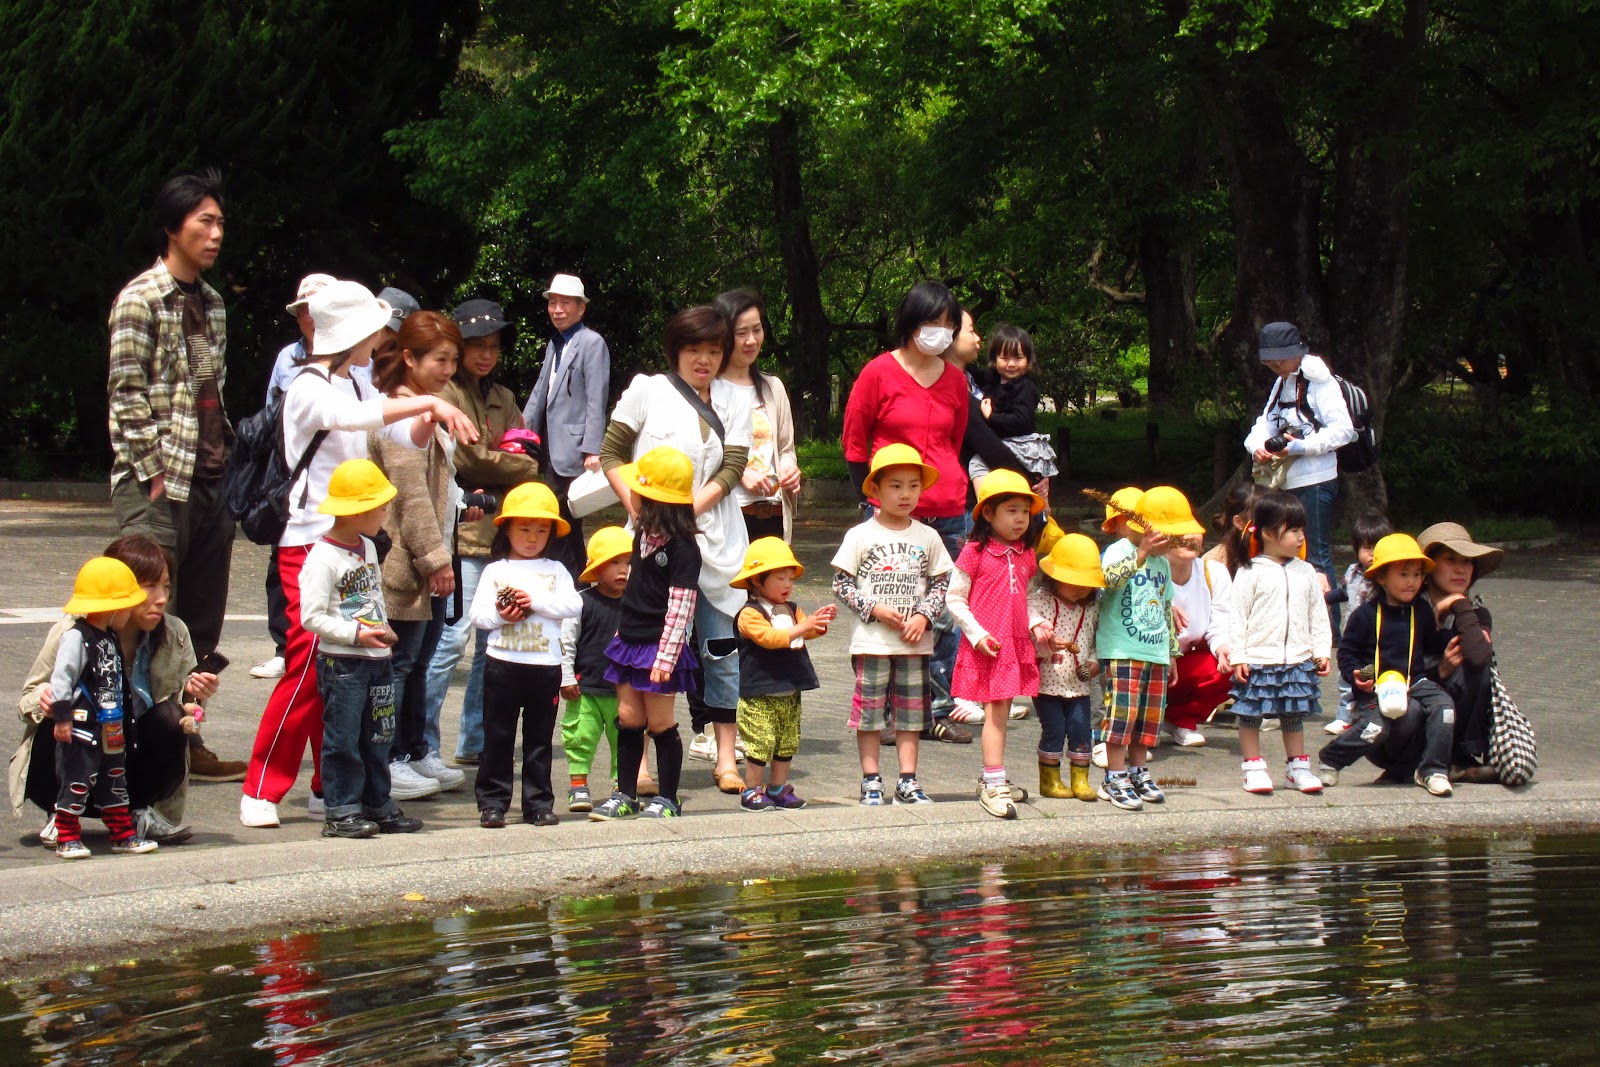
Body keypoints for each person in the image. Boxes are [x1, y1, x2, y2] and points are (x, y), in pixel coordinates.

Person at [241, 282, 477, 829]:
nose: (382, 338)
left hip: (358, 544)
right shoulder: (308, 385)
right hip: (309, 542)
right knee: (306, 668)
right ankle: (262, 786)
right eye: (375, 329)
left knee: (349, 670)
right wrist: (433, 402)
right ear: (353, 333)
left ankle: (335, 787)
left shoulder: (356, 381)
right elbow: (355, 421)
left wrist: (430, 414)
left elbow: (393, 429)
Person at [106, 168, 242, 783]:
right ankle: (131, 737)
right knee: (148, 609)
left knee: (201, 620)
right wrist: (155, 473)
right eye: (204, 222)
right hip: (159, 484)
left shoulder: (211, 302)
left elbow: (212, 390)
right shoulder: (140, 298)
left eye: (219, 223)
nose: (215, 234)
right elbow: (126, 393)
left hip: (212, 480)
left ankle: (185, 737)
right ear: (172, 228)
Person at [599, 307, 752, 795]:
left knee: (720, 648)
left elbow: (734, 464)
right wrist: (643, 510)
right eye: (694, 350)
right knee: (646, 646)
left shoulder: (734, 398)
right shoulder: (648, 389)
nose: (704, 360)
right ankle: (639, 765)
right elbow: (611, 454)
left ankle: (727, 757)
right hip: (652, 538)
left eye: (713, 351)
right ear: (676, 351)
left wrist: (688, 509)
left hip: (718, 538)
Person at [841, 281, 973, 746]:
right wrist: (873, 498)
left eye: (947, 325)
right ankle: (887, 713)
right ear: (909, 323)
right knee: (891, 605)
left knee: (940, 610)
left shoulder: (956, 379)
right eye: (930, 323)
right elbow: (855, 444)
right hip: (887, 512)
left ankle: (936, 709)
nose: (939, 332)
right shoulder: (878, 373)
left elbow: (954, 443)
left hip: (948, 508)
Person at [425, 298, 541, 769]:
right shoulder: (447, 394)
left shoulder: (505, 397)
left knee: (493, 642)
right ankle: (420, 743)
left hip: (501, 534)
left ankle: (473, 740)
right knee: (453, 640)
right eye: (476, 346)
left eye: (493, 346)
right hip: (464, 535)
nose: (485, 355)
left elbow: (527, 448)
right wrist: (515, 463)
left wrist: (509, 462)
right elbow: (465, 457)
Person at [369, 311, 475, 800]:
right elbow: (408, 495)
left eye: (453, 359)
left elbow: (435, 489)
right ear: (408, 358)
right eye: (439, 359)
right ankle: (388, 758)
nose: (448, 369)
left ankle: (413, 750)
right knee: (399, 664)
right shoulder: (400, 410)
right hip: (402, 561)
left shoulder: (424, 408)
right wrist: (436, 558)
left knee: (418, 659)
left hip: (429, 547)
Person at [299, 459, 424, 839]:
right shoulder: (323, 557)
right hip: (344, 663)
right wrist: (356, 635)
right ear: (358, 511)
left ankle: (376, 802)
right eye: (381, 507)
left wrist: (381, 628)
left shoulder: (368, 547)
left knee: (379, 734)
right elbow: (311, 617)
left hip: (377, 658)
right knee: (344, 737)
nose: (387, 513)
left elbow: (369, 596)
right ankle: (341, 809)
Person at [831, 444, 953, 807]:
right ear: (876, 491)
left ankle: (908, 780)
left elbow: (942, 582)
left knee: (912, 714)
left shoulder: (927, 537)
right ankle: (870, 780)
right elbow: (841, 584)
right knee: (869, 715)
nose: (905, 494)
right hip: (873, 642)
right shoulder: (860, 535)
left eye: (913, 486)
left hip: (914, 644)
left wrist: (924, 616)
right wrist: (874, 609)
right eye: (896, 486)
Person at [590, 447, 704, 821]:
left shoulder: (684, 548)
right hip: (630, 642)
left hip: (660, 647)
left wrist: (666, 657)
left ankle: (669, 797)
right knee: (628, 717)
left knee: (659, 723)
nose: (631, 494)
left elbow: (682, 606)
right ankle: (625, 793)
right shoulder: (640, 533)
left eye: (637, 490)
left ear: (655, 500)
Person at [469, 482, 583, 828]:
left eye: (541, 530)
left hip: (544, 667)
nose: (532, 538)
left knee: (538, 740)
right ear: (506, 529)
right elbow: (479, 616)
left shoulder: (556, 570)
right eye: (524, 529)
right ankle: (492, 802)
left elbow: (574, 604)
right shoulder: (496, 570)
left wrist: (534, 602)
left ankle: (537, 802)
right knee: (498, 735)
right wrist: (503, 616)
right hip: (502, 664)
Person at [1318, 533, 1456, 796]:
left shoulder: (1422, 611)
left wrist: (1459, 630)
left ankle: (1432, 770)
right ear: (1381, 577)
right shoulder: (1365, 615)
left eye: (1417, 575)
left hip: (1413, 680)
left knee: (1445, 707)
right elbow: (1348, 653)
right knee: (1376, 727)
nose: (1412, 582)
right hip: (1376, 680)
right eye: (1404, 575)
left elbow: (1434, 644)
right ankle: (1332, 759)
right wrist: (1358, 675)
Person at [40, 556, 155, 859]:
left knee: (115, 781)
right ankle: (66, 836)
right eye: (127, 605)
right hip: (82, 725)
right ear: (111, 606)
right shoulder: (77, 637)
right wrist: (63, 718)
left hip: (111, 724)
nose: (130, 612)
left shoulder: (110, 636)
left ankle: (122, 835)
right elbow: (62, 678)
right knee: (77, 780)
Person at [946, 470, 1046, 819]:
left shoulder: (1025, 554)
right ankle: (993, 781)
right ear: (988, 513)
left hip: (1013, 645)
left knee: (1000, 712)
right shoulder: (974, 552)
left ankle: (993, 776)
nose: (1021, 519)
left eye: (1025, 511)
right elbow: (955, 599)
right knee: (997, 713)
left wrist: (1036, 624)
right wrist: (977, 634)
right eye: (1012, 510)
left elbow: (1029, 598)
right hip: (988, 645)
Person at [254, 273, 338, 681]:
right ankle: (282, 644)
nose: (311, 316)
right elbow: (270, 416)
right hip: (294, 486)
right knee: (283, 574)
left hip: (337, 499)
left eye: (318, 308)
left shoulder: (360, 363)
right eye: (304, 309)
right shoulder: (289, 359)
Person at [1225, 490, 1332, 795]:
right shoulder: (1249, 571)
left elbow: (1317, 614)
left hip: (1297, 658)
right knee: (1250, 713)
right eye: (1294, 530)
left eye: (1302, 530)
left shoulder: (1306, 571)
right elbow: (1238, 617)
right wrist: (1239, 656)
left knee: (1292, 714)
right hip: (1259, 657)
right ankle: (1253, 767)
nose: (1301, 538)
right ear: (1270, 533)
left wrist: (1321, 650)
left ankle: (1297, 767)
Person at [1243, 322, 1355, 609]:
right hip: (1285, 482)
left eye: (1278, 357)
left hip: (1316, 479)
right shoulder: (1283, 381)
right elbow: (1265, 423)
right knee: (1285, 553)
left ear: (1296, 352)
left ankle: (1330, 632)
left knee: (1315, 554)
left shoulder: (1319, 380)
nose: (1273, 364)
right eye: (1269, 359)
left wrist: (1301, 446)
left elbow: (1343, 430)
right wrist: (1256, 447)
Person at [1096, 486, 1195, 811]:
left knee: (1147, 719)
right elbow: (1107, 580)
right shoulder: (1118, 550)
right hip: (1122, 651)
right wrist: (1140, 554)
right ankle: (1114, 775)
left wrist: (1171, 653)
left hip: (1153, 653)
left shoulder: (1162, 565)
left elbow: (1166, 610)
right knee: (1120, 716)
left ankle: (1138, 771)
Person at [731, 537, 835, 812]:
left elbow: (805, 631)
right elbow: (769, 638)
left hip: (790, 688)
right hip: (759, 692)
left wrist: (818, 623)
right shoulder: (749, 613)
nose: (788, 584)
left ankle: (778, 787)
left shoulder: (791, 608)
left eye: (790, 578)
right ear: (756, 580)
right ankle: (752, 789)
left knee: (787, 741)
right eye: (780, 578)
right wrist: (804, 626)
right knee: (760, 742)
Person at [522, 274, 611, 577]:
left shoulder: (591, 342)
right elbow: (541, 390)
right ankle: (572, 577)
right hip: (550, 444)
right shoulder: (555, 343)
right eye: (553, 303)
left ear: (581, 308)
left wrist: (592, 448)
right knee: (561, 517)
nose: (557, 309)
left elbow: (596, 398)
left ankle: (571, 577)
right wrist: (521, 432)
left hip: (573, 448)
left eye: (565, 303)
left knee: (564, 515)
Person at [1418, 522, 1504, 784]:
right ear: (1429, 568)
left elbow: (1480, 658)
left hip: (1456, 705)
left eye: (1467, 562)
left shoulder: (1475, 611)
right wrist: (1439, 671)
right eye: (1450, 560)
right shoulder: (1407, 607)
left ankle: (1461, 756)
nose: (1460, 569)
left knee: (1477, 670)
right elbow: (1375, 660)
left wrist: (1458, 603)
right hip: (1411, 699)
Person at [559, 527, 637, 814]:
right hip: (585, 687)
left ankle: (623, 786)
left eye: (628, 563)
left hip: (624, 689)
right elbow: (565, 642)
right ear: (596, 567)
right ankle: (578, 785)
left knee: (624, 739)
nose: (623, 570)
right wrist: (565, 677)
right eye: (614, 563)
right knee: (579, 736)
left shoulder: (635, 604)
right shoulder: (580, 601)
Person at [714, 289, 801, 543]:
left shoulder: (773, 388)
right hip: (729, 515)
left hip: (772, 515)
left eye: (757, 329)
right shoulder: (710, 390)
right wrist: (739, 472)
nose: (751, 340)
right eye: (741, 333)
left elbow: (786, 449)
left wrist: (789, 468)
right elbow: (701, 454)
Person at [1028, 534, 1104, 802]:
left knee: (1081, 730)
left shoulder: (1093, 608)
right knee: (1055, 730)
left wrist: (1093, 662)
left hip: (1079, 684)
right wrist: (1044, 636)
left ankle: (1080, 780)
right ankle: (1049, 781)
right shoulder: (1041, 601)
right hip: (1046, 683)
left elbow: (1095, 640)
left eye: (1085, 584)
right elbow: (1031, 620)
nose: (1079, 589)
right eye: (1071, 582)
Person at [966, 326, 1058, 494]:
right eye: (1004, 357)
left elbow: (1021, 421)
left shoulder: (1024, 387)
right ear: (995, 358)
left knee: (977, 464)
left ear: (1028, 359)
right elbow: (976, 373)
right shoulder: (995, 378)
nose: (1011, 364)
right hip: (1009, 441)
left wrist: (992, 417)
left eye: (1018, 358)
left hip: (1022, 444)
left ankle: (985, 502)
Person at [1163, 533, 1234, 748]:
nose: (1189, 537)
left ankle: (1180, 719)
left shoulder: (1213, 572)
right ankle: (1140, 724)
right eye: (1179, 530)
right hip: (1148, 661)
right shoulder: (1145, 571)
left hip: (1185, 665)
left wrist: (1224, 647)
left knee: (1232, 663)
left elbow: (1222, 622)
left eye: (1194, 529)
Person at [1326, 513, 1393, 734]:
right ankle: (1345, 715)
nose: (1373, 554)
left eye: (1378, 547)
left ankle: (1367, 715)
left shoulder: (1388, 577)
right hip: (1351, 640)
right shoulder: (1352, 572)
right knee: (1346, 678)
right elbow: (1343, 593)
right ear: (1356, 549)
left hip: (1373, 643)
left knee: (1367, 676)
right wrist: (1324, 598)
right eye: (1367, 548)